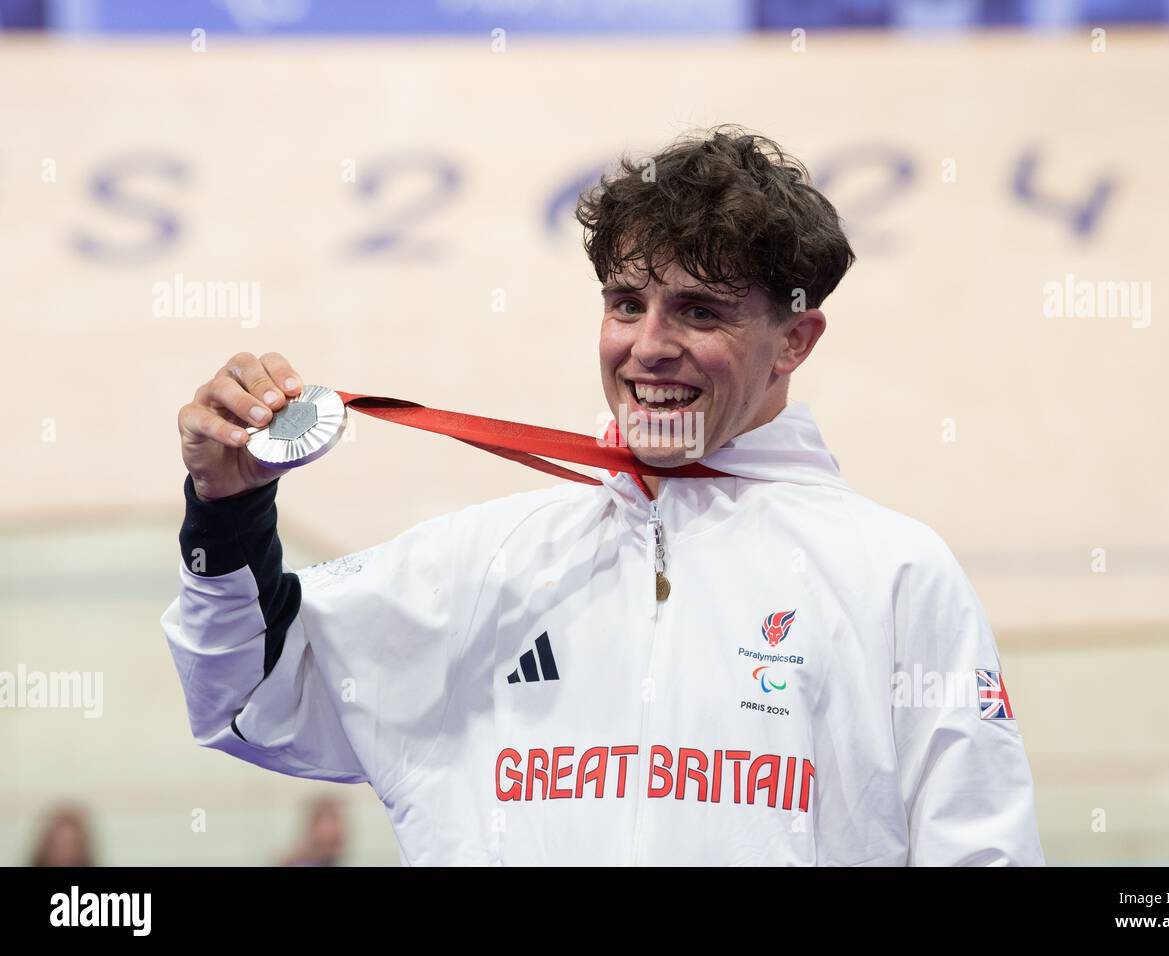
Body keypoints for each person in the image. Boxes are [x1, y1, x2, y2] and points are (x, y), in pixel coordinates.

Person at [163, 126, 1045, 866]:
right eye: (627, 304)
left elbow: (982, 851)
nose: (648, 347)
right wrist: (229, 506)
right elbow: (257, 696)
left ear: (794, 340)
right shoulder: (491, 563)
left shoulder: (892, 577)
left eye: (700, 312)